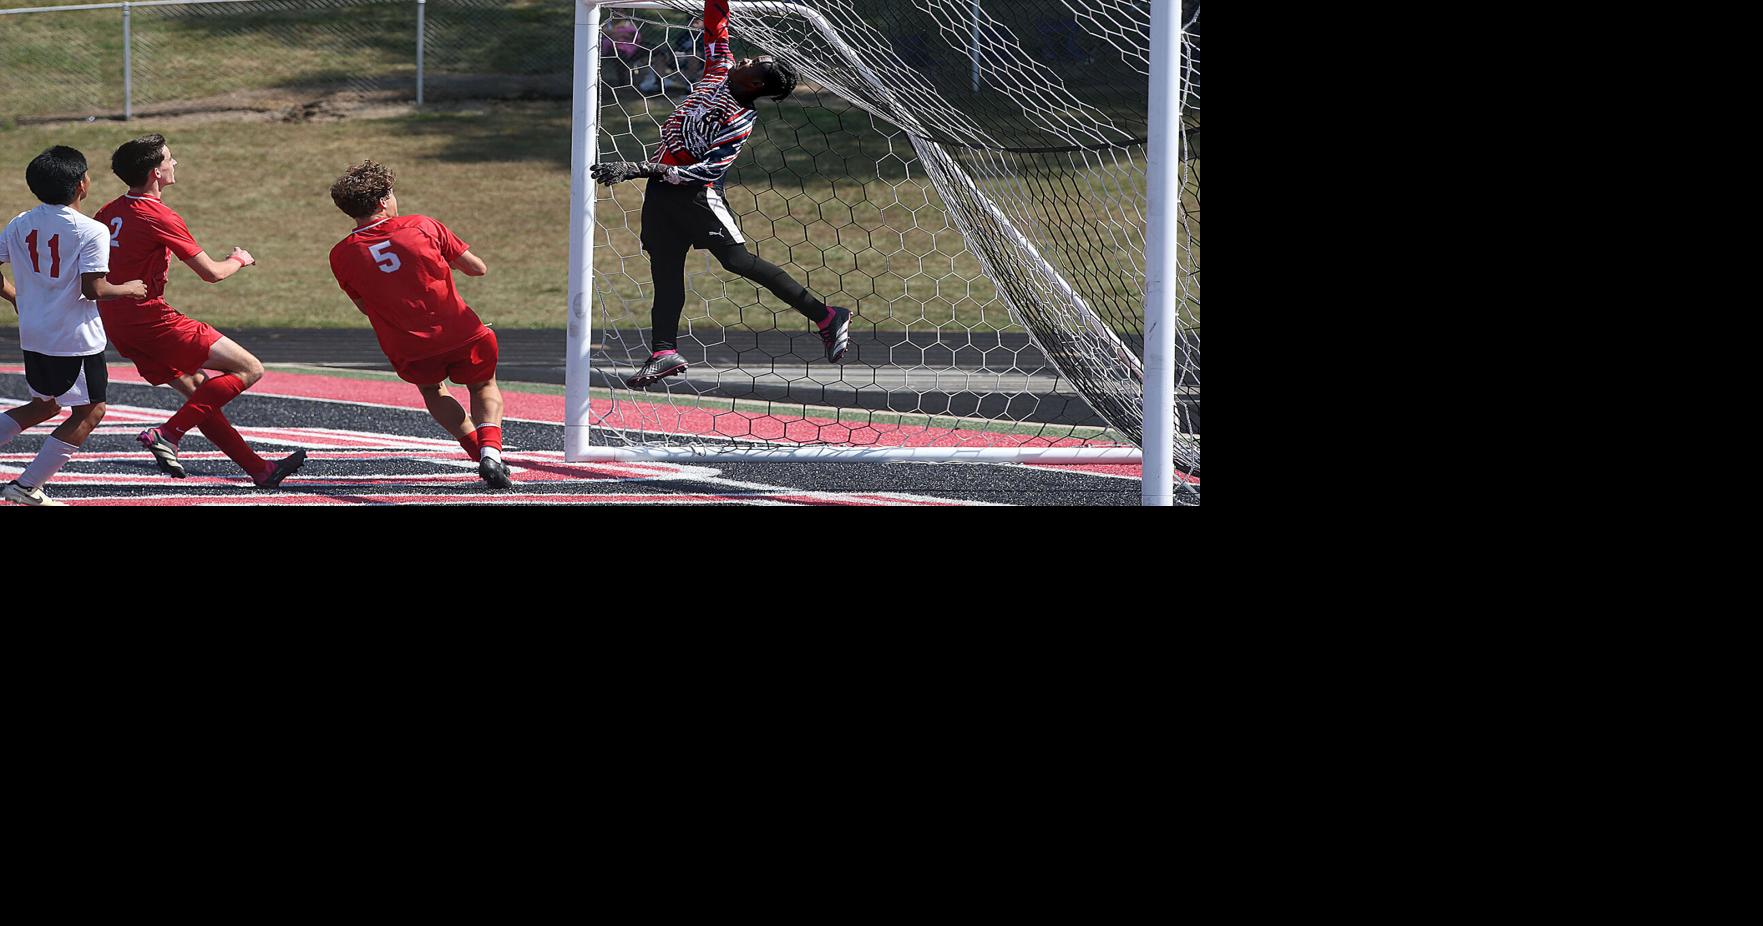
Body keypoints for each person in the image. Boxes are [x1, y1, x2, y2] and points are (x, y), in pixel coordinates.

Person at [590, 0, 851, 387]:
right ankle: (663, 352)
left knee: (736, 261)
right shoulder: (720, 68)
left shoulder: (740, 120)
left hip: (697, 196)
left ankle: (827, 316)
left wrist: (639, 169)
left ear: (756, 85)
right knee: (664, 269)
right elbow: (716, 25)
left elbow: (707, 171)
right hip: (661, 192)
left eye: (754, 64)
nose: (746, 59)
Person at [95, 133, 306, 487]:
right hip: (150, 319)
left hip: (115, 321)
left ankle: (260, 470)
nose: (174, 162)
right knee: (249, 368)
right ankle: (168, 433)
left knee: (199, 391)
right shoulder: (159, 215)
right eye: (169, 158)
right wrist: (239, 259)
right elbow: (212, 273)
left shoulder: (107, 211)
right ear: (155, 173)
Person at [326, 160, 512, 490]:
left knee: (432, 390)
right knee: (483, 385)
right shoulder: (422, 225)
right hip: (460, 330)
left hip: (407, 344)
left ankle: (477, 454)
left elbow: (364, 307)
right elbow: (477, 268)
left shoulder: (340, 254)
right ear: (383, 201)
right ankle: (491, 454)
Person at [0, 146, 149, 506]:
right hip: (73, 338)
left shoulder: (19, 223)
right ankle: (26, 486)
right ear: (82, 184)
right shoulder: (91, 230)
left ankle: (26, 486)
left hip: (34, 334)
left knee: (44, 406)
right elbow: (94, 288)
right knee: (91, 410)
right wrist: (129, 288)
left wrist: (15, 296)